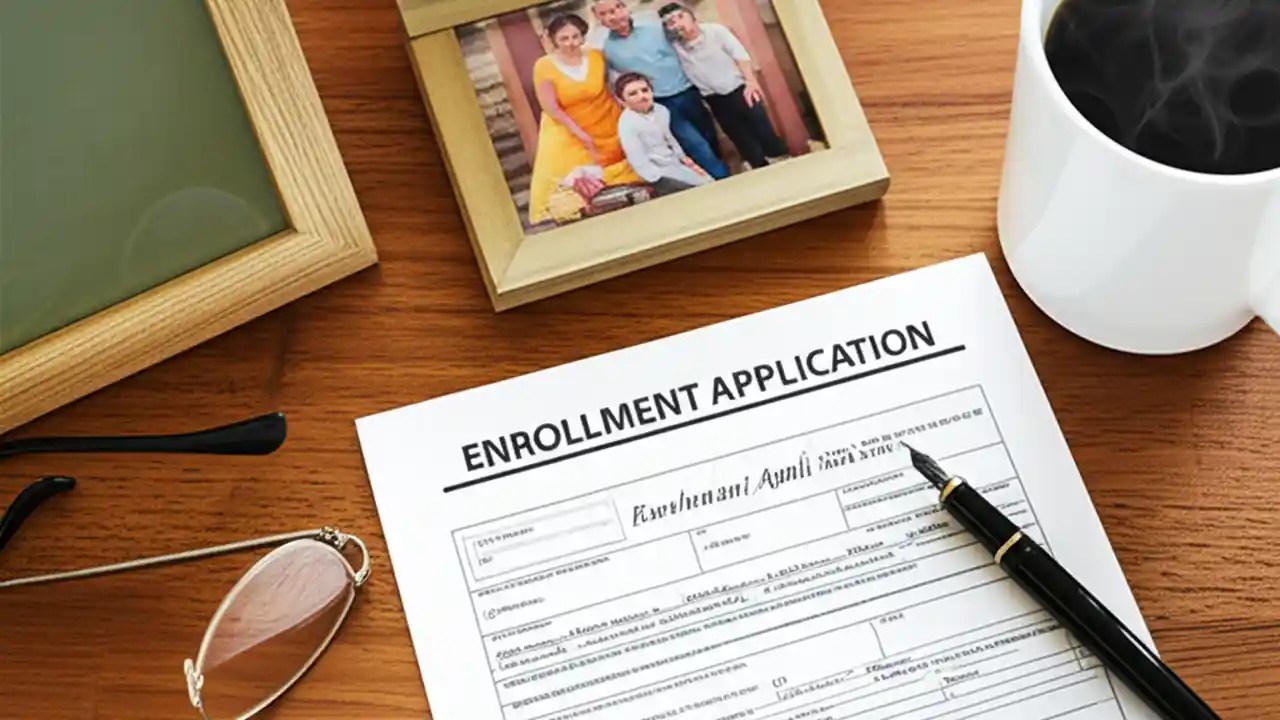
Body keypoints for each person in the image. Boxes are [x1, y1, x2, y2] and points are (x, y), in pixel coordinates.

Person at [590, 0, 730, 180]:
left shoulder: (655, 26)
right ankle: (721, 180)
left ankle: (711, 173)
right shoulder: (607, 49)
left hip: (688, 90)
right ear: (598, 17)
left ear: (625, 8)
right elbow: (614, 82)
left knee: (708, 134)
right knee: (694, 143)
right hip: (659, 102)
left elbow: (688, 41)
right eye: (606, 13)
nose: (615, 16)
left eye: (618, 8)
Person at [527, 13, 643, 225]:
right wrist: (582, 135)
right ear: (553, 39)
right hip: (570, 126)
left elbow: (613, 85)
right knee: (576, 180)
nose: (571, 43)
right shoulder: (544, 66)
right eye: (564, 38)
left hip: (607, 118)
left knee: (629, 167)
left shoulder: (596, 55)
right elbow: (551, 108)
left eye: (576, 36)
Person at [659, 2, 791, 171]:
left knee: (763, 129)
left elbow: (739, 54)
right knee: (740, 137)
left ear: (692, 17)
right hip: (714, 98)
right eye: (671, 22)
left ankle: (783, 161)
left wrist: (751, 82)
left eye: (680, 17)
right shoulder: (675, 47)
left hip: (739, 88)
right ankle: (759, 168)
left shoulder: (715, 31)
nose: (678, 24)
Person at [614, 72, 713, 196]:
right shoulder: (627, 125)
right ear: (622, 100)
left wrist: (686, 161)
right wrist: (659, 180)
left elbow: (670, 139)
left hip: (676, 164)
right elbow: (638, 160)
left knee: (709, 184)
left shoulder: (661, 110)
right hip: (659, 175)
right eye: (633, 94)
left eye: (645, 90)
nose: (642, 96)